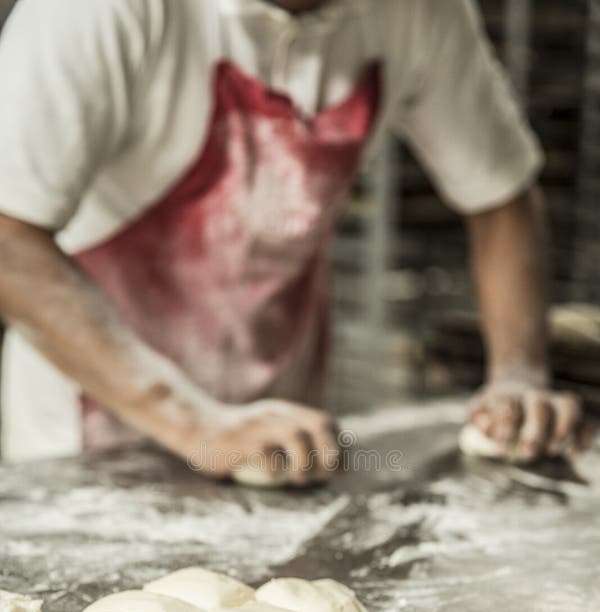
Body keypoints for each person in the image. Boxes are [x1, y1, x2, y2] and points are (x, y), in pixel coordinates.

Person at [0, 0, 587, 483]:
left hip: (284, 429)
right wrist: (197, 424)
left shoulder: (419, 12)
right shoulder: (97, 12)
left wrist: (517, 374)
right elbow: (8, 237)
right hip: (88, 433)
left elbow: (501, 198)